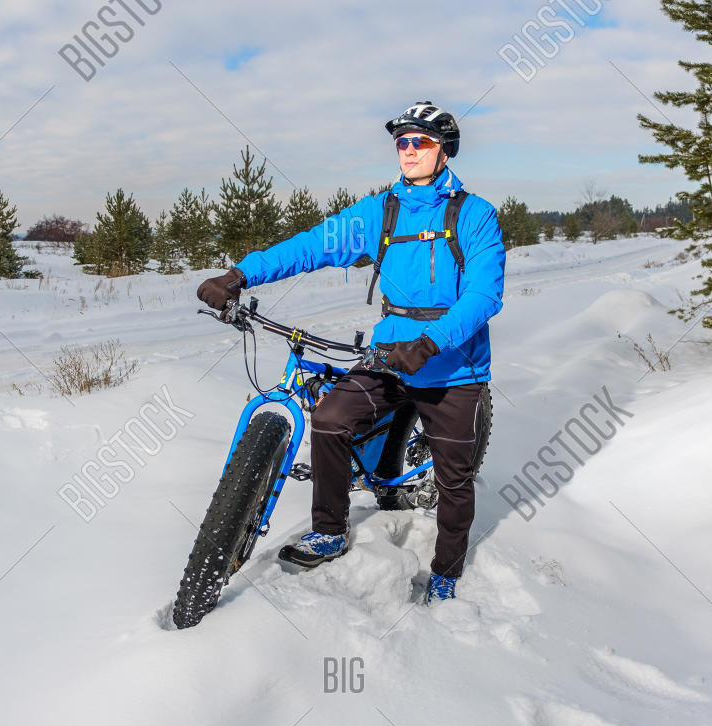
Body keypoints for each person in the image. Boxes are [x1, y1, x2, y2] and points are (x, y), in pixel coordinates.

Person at [196, 101, 504, 604]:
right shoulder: (381, 211)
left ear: (444, 150)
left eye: (420, 141)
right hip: (388, 358)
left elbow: (483, 295)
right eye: (401, 141)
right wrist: (239, 275)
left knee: (454, 478)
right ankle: (330, 530)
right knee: (331, 419)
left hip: (452, 365)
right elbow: (311, 245)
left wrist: (429, 343)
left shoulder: (475, 215)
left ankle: (446, 572)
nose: (408, 150)